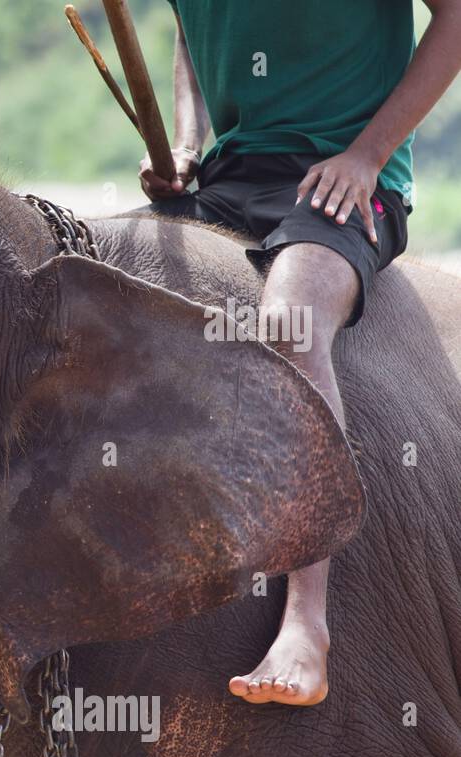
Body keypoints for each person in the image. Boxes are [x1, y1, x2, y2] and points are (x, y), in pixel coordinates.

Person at [141, 1, 461, 705]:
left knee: (290, 320)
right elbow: (192, 39)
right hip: (225, 179)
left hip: (343, 182)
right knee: (88, 282)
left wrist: (369, 155)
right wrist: (187, 145)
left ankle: (304, 624)